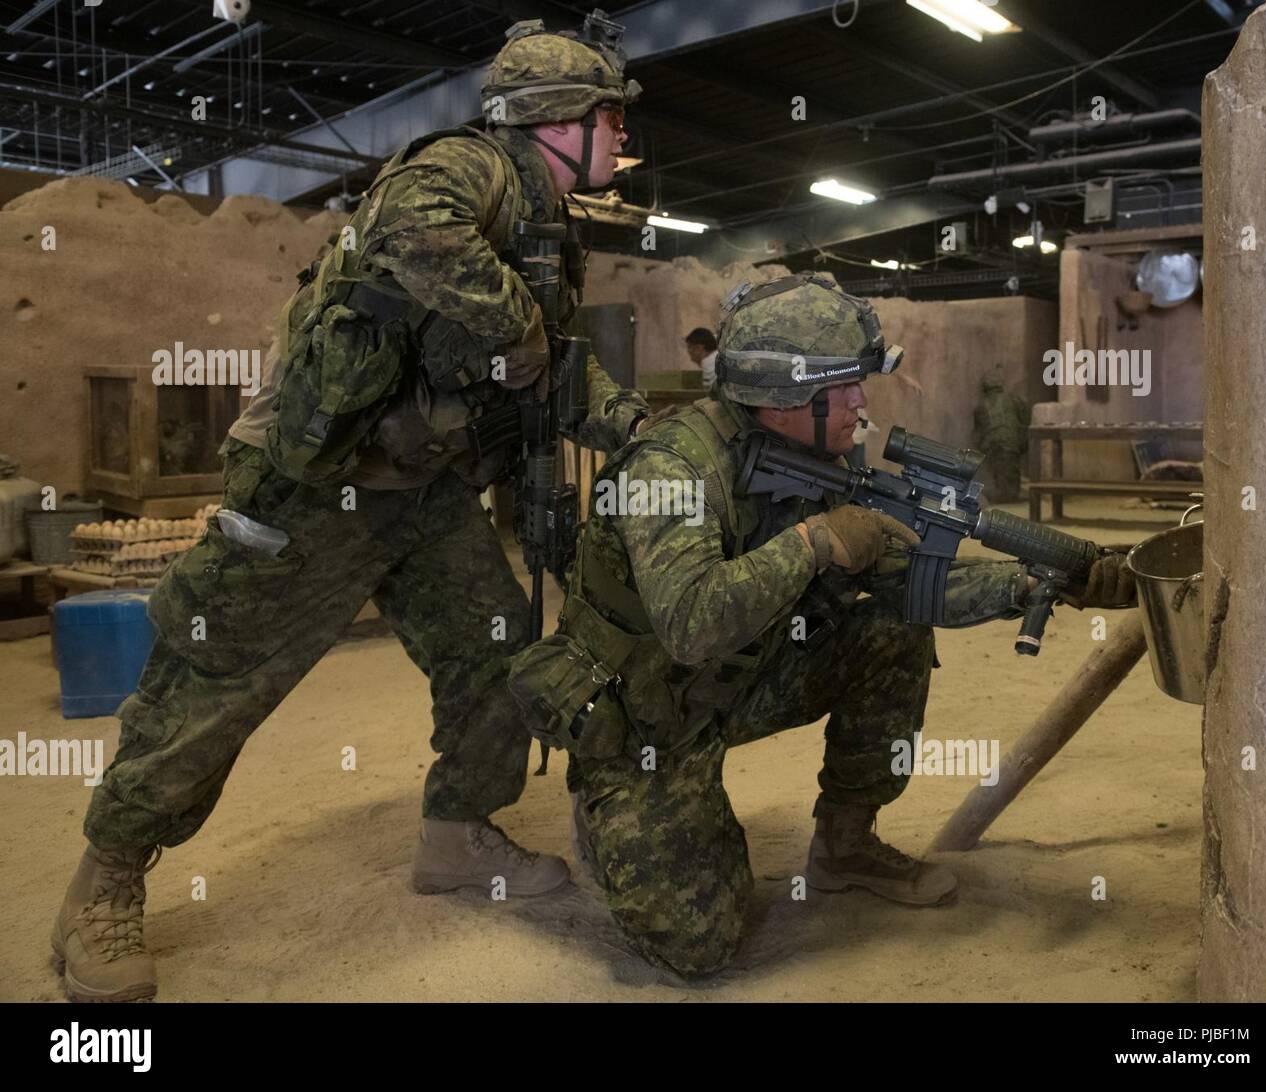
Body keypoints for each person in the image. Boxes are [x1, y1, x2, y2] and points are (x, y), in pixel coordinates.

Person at [52, 14, 654, 1003]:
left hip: (421, 494)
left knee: (498, 650)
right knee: (218, 682)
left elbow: (550, 376)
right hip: (312, 483)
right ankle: (107, 879)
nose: (620, 139)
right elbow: (409, 228)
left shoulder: (550, 226)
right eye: (607, 118)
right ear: (558, 121)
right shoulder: (471, 168)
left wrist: (641, 431)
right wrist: (516, 328)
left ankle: (457, 836)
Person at [508, 273, 1136, 978]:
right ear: (784, 396)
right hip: (644, 717)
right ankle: (605, 804)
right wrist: (810, 545)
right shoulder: (674, 468)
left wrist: (1036, 584)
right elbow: (689, 623)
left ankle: (845, 846)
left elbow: (909, 581)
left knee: (891, 630)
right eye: (843, 387)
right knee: (698, 946)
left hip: (740, 682)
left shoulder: (824, 458)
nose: (861, 402)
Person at [972, 370, 1030, 503]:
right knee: (1010, 483)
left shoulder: (980, 406)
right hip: (1011, 445)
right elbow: (1026, 420)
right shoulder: (1014, 400)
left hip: (992, 448)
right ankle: (1005, 494)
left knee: (1002, 477)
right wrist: (1022, 441)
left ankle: (1001, 493)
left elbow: (978, 432)